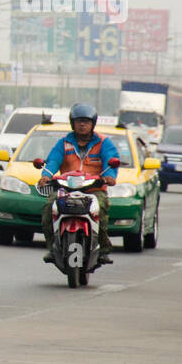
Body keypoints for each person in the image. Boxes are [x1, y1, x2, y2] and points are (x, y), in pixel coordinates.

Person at [38, 103, 118, 265]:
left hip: (94, 189)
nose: (82, 125)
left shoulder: (104, 143)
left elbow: (110, 161)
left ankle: (103, 248)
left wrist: (109, 176)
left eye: (86, 121)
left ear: (93, 124)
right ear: (72, 123)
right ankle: (53, 247)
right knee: (49, 208)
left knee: (100, 211)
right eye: (79, 121)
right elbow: (53, 160)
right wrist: (46, 175)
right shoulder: (64, 143)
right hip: (65, 189)